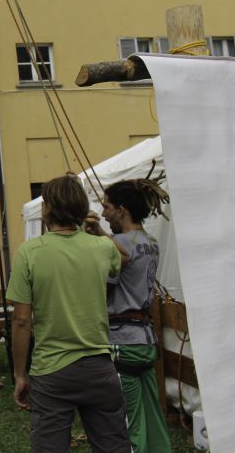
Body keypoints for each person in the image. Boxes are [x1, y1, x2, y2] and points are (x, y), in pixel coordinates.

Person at [6, 174, 131, 452]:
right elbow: (124, 257)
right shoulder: (99, 248)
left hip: (52, 372)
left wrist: (20, 374)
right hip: (99, 367)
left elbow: (22, 320)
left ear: (48, 208)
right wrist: (97, 230)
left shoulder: (29, 253)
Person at [87, 179, 172, 453]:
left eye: (107, 207)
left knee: (127, 422)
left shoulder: (117, 247)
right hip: (145, 340)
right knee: (151, 414)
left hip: (122, 341)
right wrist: (101, 233)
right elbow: (124, 249)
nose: (103, 213)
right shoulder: (151, 242)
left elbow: (115, 257)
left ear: (122, 210)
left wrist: (95, 239)